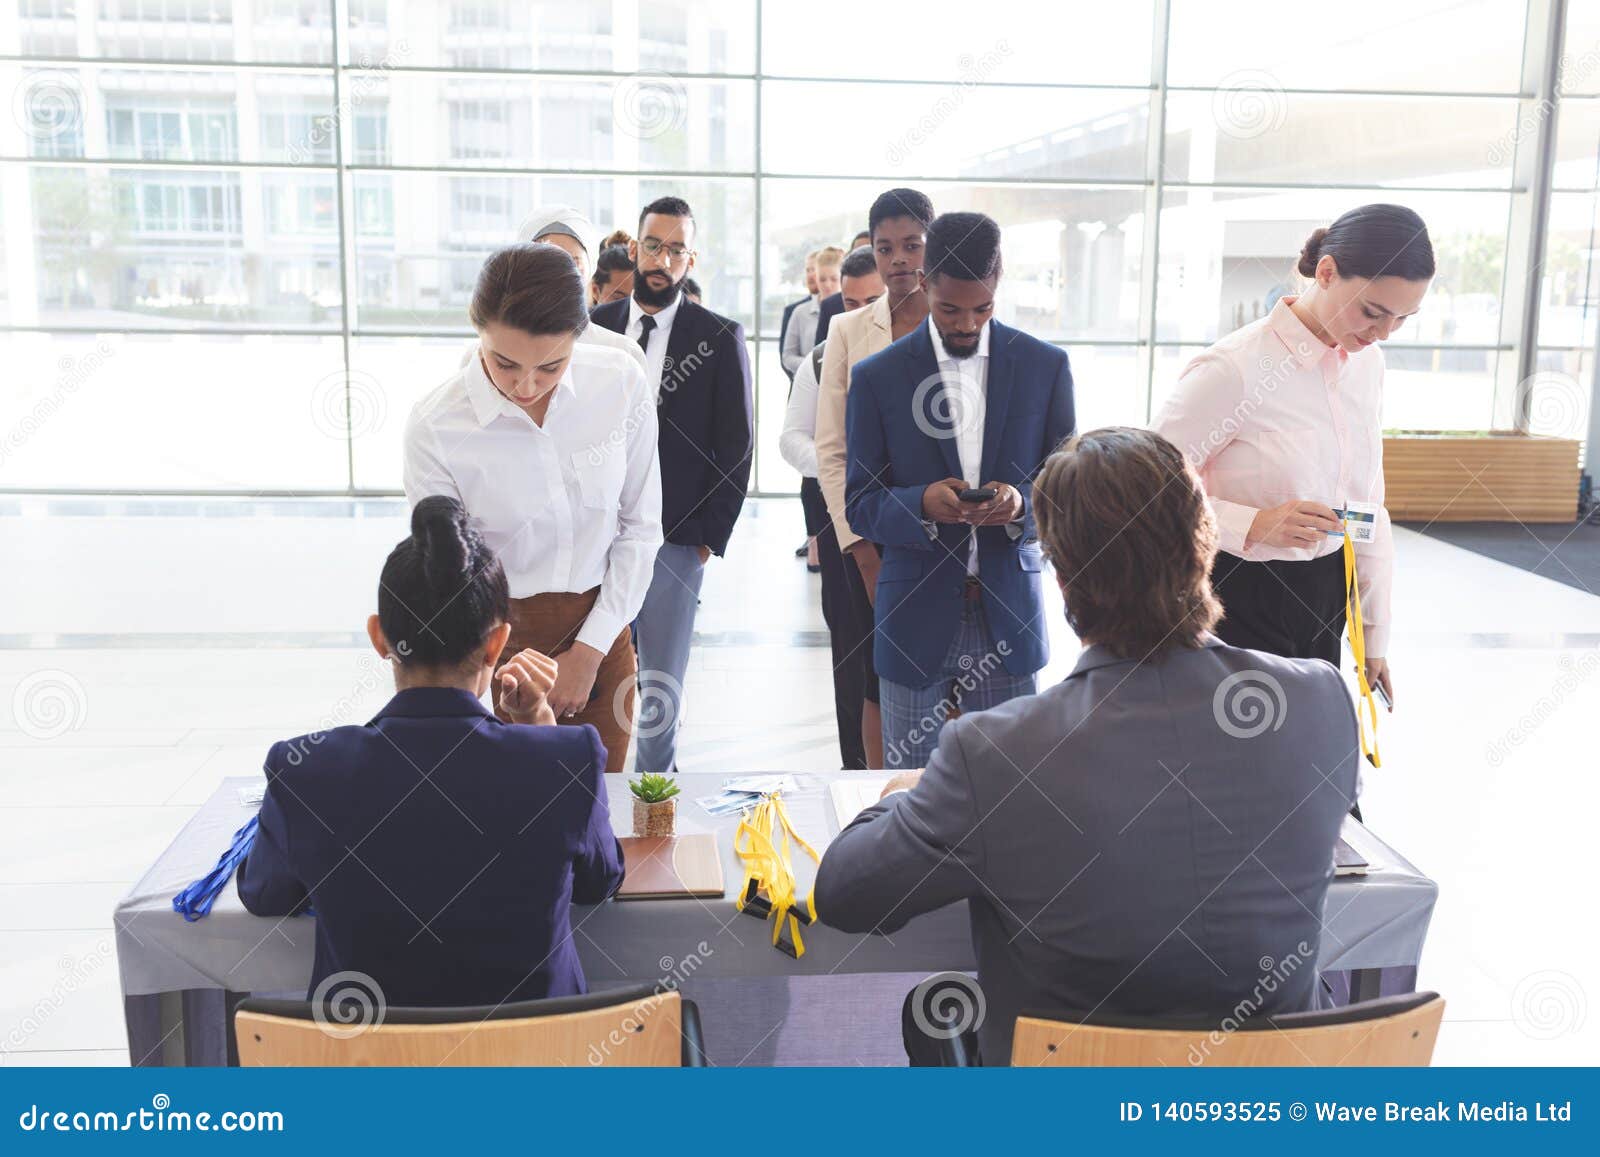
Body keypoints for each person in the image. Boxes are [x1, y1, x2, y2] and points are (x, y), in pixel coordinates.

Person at [814, 427, 1361, 1065]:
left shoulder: (994, 754)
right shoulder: (1321, 701)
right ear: (1203, 545)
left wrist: (900, 794)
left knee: (936, 1018)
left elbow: (846, 897)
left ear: (1062, 576)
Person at [239, 496, 625, 1008]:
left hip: (366, 1076)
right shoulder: (565, 760)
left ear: (380, 637)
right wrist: (541, 729)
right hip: (538, 1074)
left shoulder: (306, 771)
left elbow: (266, 894)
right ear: (497, 645)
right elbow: (600, 882)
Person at [1152, 203, 1432, 712]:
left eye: (1402, 319)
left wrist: (1373, 636)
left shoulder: (1368, 367)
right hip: (1234, 595)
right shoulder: (1232, 369)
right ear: (1326, 273)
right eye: (1373, 312)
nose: (1383, 333)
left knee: (1314, 766)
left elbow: (1368, 506)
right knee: (1246, 770)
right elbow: (1143, 490)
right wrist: (1250, 523)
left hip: (1326, 594)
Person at [404, 243, 662, 772]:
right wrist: (486, 665)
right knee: (505, 816)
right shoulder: (436, 424)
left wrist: (589, 653)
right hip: (493, 641)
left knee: (598, 809)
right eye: (504, 363)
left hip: (603, 628)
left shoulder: (619, 383)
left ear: (580, 336)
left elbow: (640, 527)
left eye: (550, 366)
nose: (525, 385)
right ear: (478, 330)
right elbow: (447, 571)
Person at [845, 211, 1075, 767]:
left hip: (1010, 617)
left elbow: (1070, 496)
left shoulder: (1045, 367)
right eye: (950, 309)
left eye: (982, 308)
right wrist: (919, 503)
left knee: (1011, 795)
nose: (967, 324)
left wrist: (1021, 504)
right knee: (907, 793)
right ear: (924, 283)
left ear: (998, 289)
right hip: (913, 616)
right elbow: (860, 502)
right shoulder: (878, 377)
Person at [590, 196, 754, 775]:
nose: (663, 259)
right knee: (596, 670)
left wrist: (708, 537)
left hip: (676, 537)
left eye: (676, 249)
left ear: (692, 257)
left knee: (660, 682)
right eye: (654, 246)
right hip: (596, 536)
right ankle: (592, 794)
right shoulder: (594, 329)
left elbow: (736, 446)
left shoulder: (718, 336)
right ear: (635, 250)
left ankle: (654, 801)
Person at [813, 188, 936, 767]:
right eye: (886, 248)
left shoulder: (958, 320)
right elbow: (831, 448)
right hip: (865, 528)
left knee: (947, 669)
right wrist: (859, 546)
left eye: (912, 245)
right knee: (872, 674)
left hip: (944, 528)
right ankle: (875, 803)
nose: (899, 261)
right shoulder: (847, 331)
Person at [780, 244, 885, 768]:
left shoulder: (914, 359)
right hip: (838, 516)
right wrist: (837, 469)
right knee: (851, 646)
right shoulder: (822, 359)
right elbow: (791, 439)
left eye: (873, 300)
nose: (860, 313)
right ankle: (854, 769)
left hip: (900, 523)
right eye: (849, 302)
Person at [467, 206, 643, 371]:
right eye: (544, 264)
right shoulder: (483, 356)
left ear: (590, 267)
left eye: (573, 262)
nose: (559, 274)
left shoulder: (624, 354)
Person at [781, 246, 843, 379]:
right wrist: (815, 367)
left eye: (833, 279)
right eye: (822, 279)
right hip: (807, 383)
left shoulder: (849, 311)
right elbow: (787, 357)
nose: (827, 285)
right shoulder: (800, 312)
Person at [777, 250, 820, 381]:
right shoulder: (795, 311)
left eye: (815, 269)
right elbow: (786, 357)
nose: (811, 275)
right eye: (808, 270)